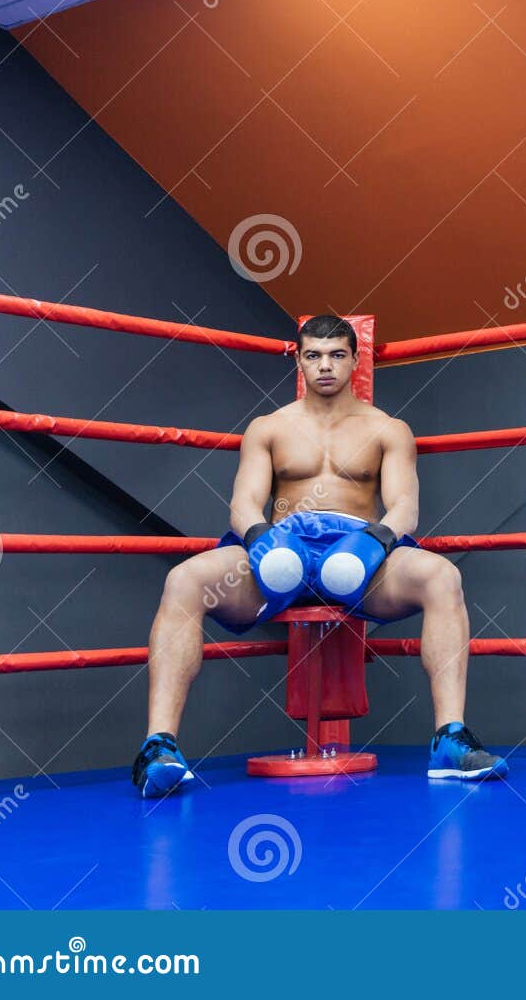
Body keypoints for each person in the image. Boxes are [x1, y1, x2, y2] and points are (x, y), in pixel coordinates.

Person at [131, 315, 506, 796]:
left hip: (360, 552)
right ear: (300, 361)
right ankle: (158, 747)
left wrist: (372, 541)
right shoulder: (269, 427)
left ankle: (450, 740)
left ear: (354, 359)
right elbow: (243, 505)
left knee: (442, 577)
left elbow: (405, 507)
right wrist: (262, 539)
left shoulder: (388, 429)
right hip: (282, 548)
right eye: (313, 355)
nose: (325, 366)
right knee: (184, 580)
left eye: (336, 355)